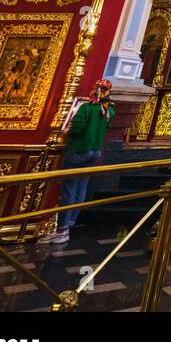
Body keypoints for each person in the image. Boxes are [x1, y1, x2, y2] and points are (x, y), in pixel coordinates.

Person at [40, 80, 116, 245]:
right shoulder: (109, 110)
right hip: (95, 152)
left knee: (69, 189)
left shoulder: (87, 108)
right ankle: (70, 223)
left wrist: (68, 132)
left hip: (78, 151)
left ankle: (62, 229)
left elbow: (77, 129)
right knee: (81, 188)